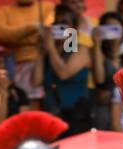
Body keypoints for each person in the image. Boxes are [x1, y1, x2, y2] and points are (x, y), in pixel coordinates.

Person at [40, 4, 94, 137]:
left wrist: (51, 49)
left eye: (65, 23)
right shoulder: (49, 53)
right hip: (52, 116)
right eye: (57, 24)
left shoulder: (81, 50)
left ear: (74, 29)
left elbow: (63, 73)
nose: (60, 28)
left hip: (76, 117)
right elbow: (36, 80)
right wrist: (42, 51)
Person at [0, 0, 53, 106]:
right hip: (18, 65)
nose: (77, 6)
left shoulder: (49, 8)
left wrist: (19, 37)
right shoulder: (5, 11)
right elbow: (3, 35)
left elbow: (50, 32)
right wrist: (34, 28)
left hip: (46, 62)